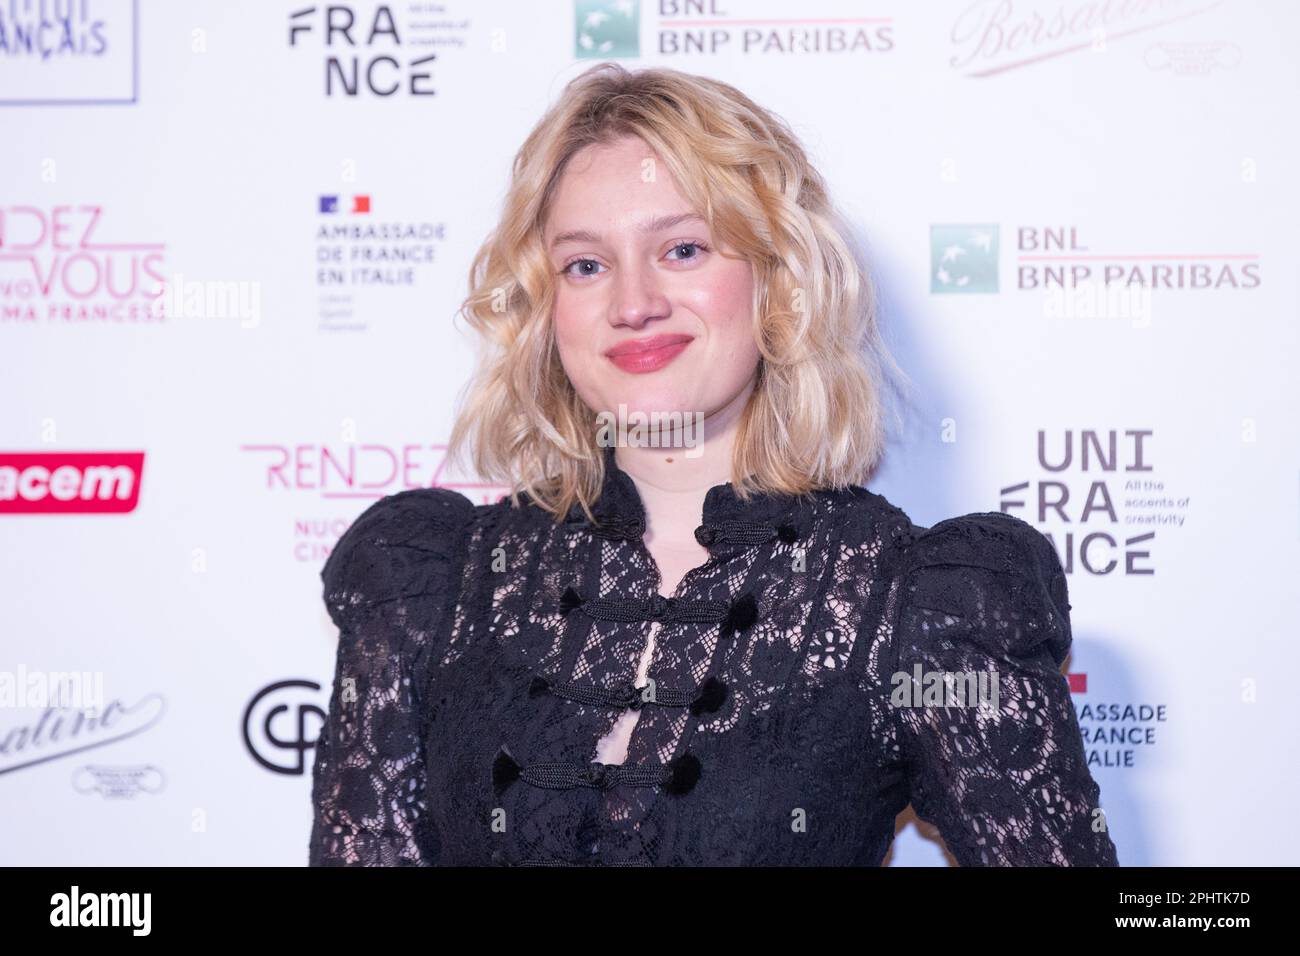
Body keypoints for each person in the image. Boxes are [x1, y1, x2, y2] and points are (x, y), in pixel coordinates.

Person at [307, 63, 1118, 867]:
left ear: (776, 278)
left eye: (683, 249)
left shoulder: (917, 606)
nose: (634, 303)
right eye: (585, 265)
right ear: (544, 307)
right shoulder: (432, 589)